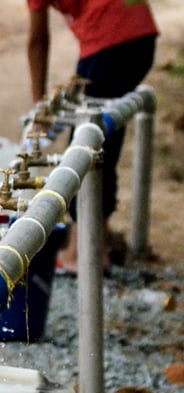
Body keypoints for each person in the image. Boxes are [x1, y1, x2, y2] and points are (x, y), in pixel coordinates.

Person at [26, 0, 158, 274]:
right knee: (104, 137)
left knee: (85, 145)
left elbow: (38, 40)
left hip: (109, 41)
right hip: (140, 37)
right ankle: (95, 244)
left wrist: (39, 108)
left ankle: (84, 253)